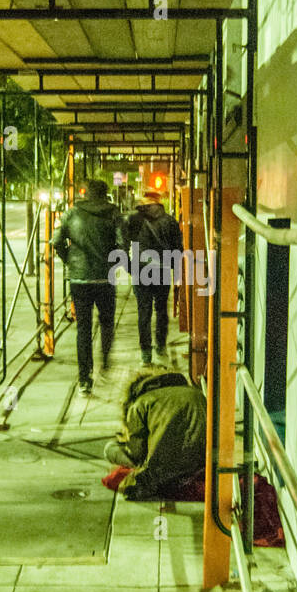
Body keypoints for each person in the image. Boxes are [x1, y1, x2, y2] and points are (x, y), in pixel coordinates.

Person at [53, 178, 126, 396]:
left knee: (83, 329)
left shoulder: (72, 213)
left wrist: (70, 261)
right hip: (105, 279)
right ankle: (105, 361)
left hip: (79, 280)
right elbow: (122, 245)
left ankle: (85, 378)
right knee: (106, 322)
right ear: (105, 194)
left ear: (86, 194)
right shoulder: (114, 214)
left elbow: (56, 241)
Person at [104, 369, 207, 500]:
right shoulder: (196, 394)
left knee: (110, 448)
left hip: (163, 475)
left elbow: (136, 454)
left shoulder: (140, 403)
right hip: (202, 466)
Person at [127, 191, 183, 365]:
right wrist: (177, 272)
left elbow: (122, 243)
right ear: (158, 203)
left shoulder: (135, 221)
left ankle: (145, 353)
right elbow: (178, 249)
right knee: (161, 311)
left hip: (141, 270)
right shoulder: (169, 221)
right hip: (162, 270)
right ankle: (160, 346)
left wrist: (130, 267)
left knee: (143, 312)